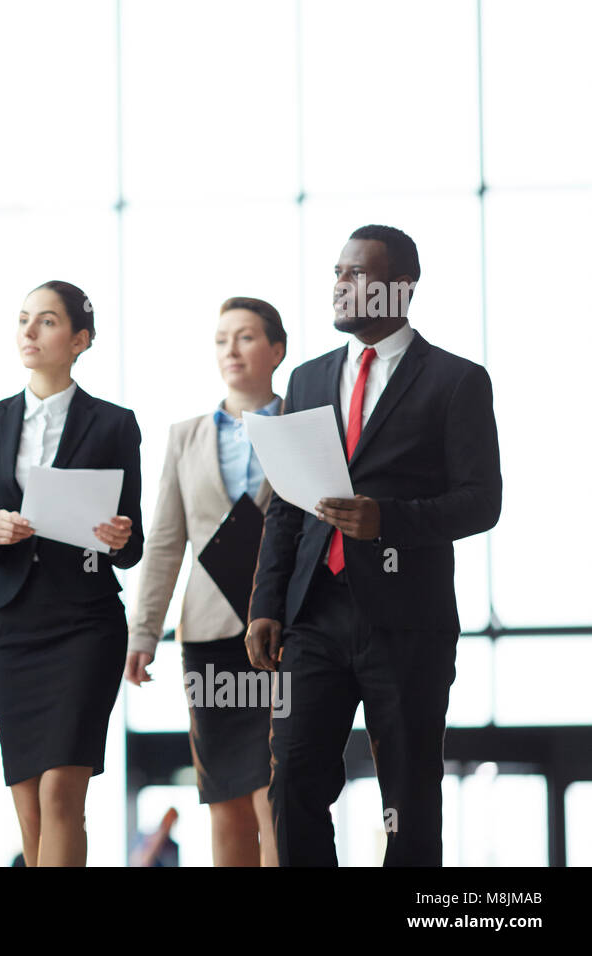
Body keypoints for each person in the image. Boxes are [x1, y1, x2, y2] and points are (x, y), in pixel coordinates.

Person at [246, 224, 502, 866]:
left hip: (406, 620)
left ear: (402, 287)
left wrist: (386, 520)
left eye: (356, 274)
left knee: (408, 795)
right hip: (312, 617)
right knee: (294, 780)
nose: (340, 285)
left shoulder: (456, 381)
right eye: (337, 273)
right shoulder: (306, 381)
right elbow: (286, 506)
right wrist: (266, 605)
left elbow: (482, 501)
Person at [0, 280, 143, 867]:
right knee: (27, 803)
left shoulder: (114, 424)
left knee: (61, 793)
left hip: (86, 622)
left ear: (80, 340)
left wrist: (120, 537)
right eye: (24, 319)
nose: (29, 332)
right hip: (14, 623)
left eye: (47, 322)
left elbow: (131, 546)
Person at [126, 296, 286, 867]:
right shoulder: (185, 437)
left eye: (245, 337)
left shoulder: (305, 426)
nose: (231, 350)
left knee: (280, 793)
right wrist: (143, 633)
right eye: (221, 340)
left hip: (286, 635)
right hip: (210, 637)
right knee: (223, 799)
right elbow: (166, 541)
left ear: (276, 350)